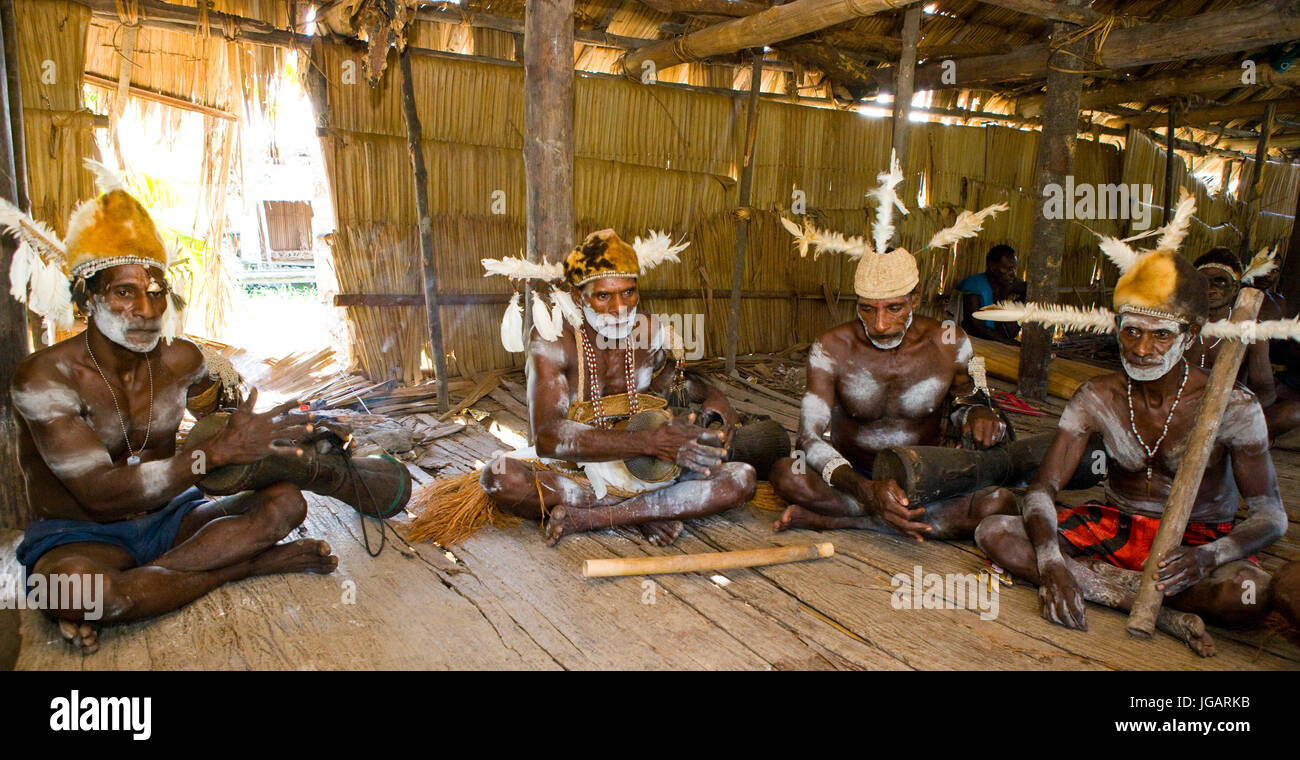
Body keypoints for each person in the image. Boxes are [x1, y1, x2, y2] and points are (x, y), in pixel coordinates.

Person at [5, 160, 336, 654]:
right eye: (124, 292)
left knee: (287, 503)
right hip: (80, 535)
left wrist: (277, 434)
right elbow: (101, 493)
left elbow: (222, 411)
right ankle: (245, 566)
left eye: (156, 292)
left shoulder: (182, 360)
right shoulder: (43, 379)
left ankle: (146, 587)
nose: (145, 309)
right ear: (86, 299)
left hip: (171, 519)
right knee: (74, 592)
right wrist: (215, 455)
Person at [972, 200, 1291, 656]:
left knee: (1249, 594)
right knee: (995, 533)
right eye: (1131, 332)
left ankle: (1113, 586)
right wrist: (1050, 563)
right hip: (1115, 525)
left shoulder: (1232, 406)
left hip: (1193, 542)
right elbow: (1042, 488)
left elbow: (1271, 516)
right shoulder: (1097, 396)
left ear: (1191, 333)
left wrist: (1206, 557)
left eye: (1161, 335)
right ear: (1116, 328)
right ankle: (1150, 606)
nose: (1142, 348)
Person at [407, 228, 755, 548]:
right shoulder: (554, 339)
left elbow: (677, 382)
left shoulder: (649, 332)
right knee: (500, 478)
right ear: (577, 296)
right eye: (604, 296)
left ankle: (598, 517)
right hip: (579, 471)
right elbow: (547, 437)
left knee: (742, 478)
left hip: (652, 467)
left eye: (629, 293)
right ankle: (650, 511)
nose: (620, 309)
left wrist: (716, 403)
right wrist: (649, 441)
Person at [769, 154, 1016, 540]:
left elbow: (976, 399)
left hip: (926, 482)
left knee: (998, 504)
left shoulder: (952, 342)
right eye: (867, 309)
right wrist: (866, 490)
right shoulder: (830, 347)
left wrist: (979, 415)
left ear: (915, 299)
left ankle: (849, 521)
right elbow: (809, 438)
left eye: (894, 308)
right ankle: (884, 515)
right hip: (853, 477)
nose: (880, 324)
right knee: (787, 474)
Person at [1185, 246, 1300, 440]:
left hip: (1227, 414)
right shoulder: (1176, 324)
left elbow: (1265, 390)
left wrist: (1230, 412)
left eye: (1219, 282)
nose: (1210, 289)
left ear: (1235, 288)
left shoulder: (1250, 330)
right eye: (1202, 282)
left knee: (1291, 412)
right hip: (1175, 411)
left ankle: (1222, 444)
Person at [958, 244, 1026, 342]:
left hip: (998, 332)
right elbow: (977, 327)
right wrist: (1009, 343)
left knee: (1029, 297)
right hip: (972, 337)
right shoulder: (974, 285)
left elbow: (1031, 290)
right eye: (1008, 269)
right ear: (993, 267)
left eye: (1014, 269)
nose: (1013, 274)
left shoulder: (1006, 283)